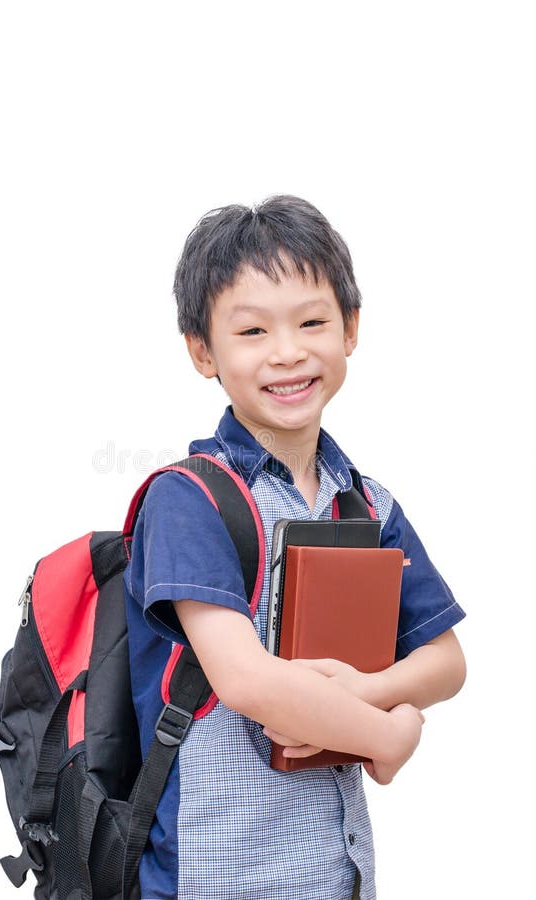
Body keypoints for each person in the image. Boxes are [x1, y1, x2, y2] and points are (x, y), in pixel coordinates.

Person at [124, 195, 466, 900]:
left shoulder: (368, 504)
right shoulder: (189, 499)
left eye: (312, 322)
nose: (287, 351)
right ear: (202, 351)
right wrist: (389, 735)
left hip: (334, 872)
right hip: (217, 873)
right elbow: (247, 682)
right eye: (251, 330)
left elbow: (446, 661)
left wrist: (370, 692)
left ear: (351, 328)